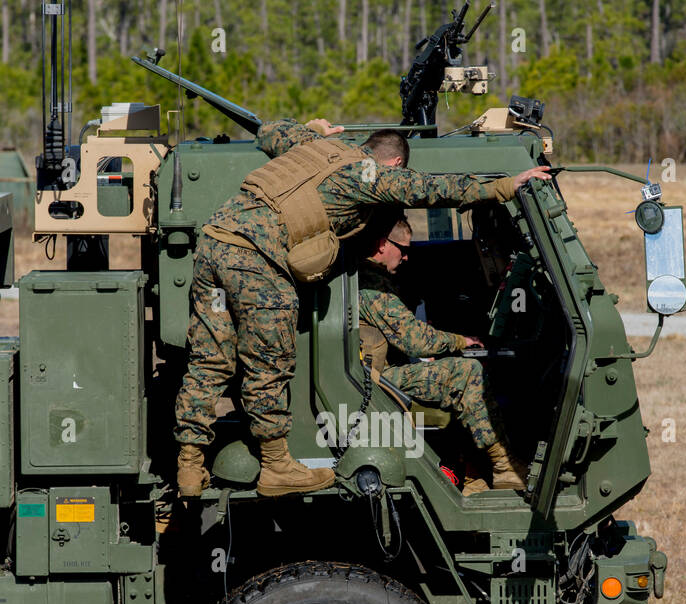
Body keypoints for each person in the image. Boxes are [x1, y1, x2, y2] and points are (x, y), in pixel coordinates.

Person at [173, 116, 551, 498]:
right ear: (393, 165)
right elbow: (428, 189)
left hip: (214, 242)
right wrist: (502, 186)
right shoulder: (366, 174)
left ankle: (189, 467)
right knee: (270, 361)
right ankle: (276, 467)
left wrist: (314, 130)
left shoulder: (314, 148)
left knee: (210, 359)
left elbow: (270, 130)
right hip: (256, 256)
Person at [358, 216, 526, 493]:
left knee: (451, 375)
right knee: (466, 373)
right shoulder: (371, 284)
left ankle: (473, 474)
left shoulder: (372, 278)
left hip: (375, 373)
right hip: (377, 381)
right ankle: (503, 466)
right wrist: (460, 341)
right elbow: (416, 341)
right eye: (404, 249)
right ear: (381, 245)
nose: (407, 258)